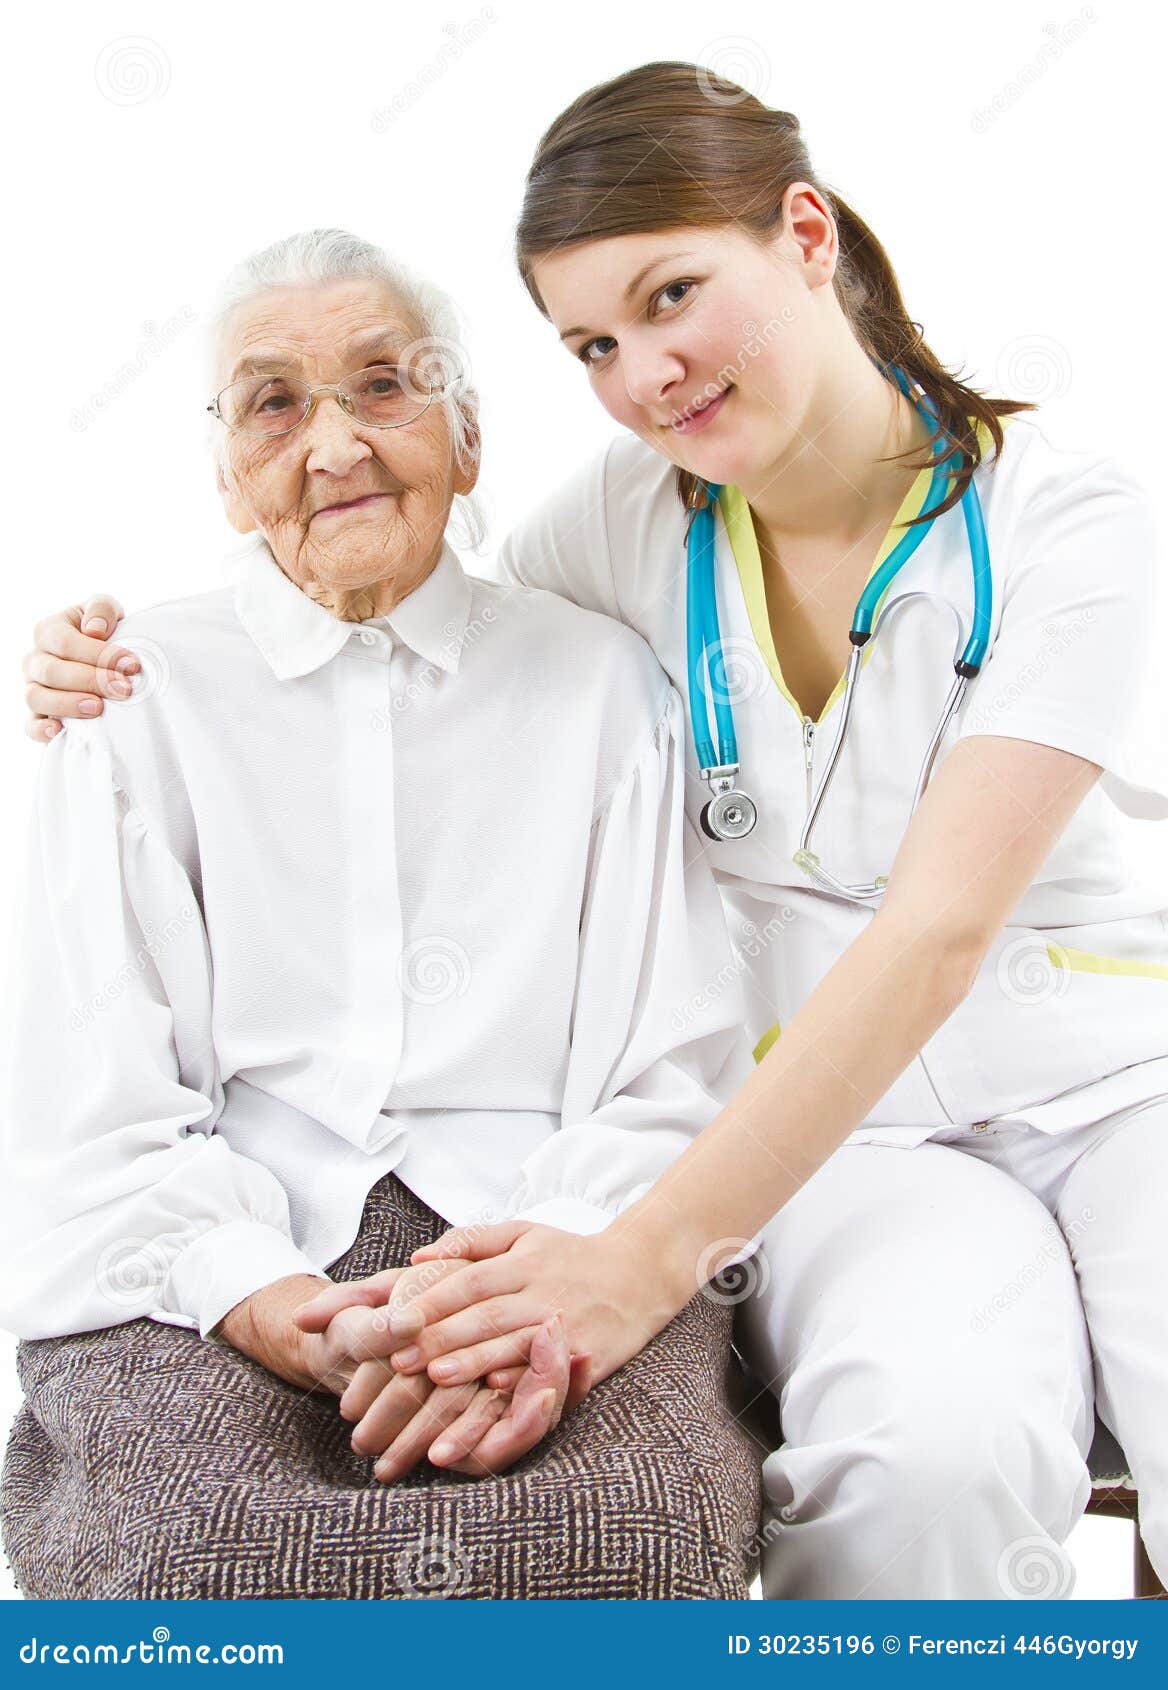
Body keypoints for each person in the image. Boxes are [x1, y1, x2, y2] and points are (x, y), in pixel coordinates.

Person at [22, 61, 1168, 1600]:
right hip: (851, 1135)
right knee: (927, 1466)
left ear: (808, 233)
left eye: (674, 293)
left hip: (1112, 1091)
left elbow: (938, 932)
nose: (648, 376)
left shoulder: (1068, 526)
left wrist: (635, 1264)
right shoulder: (626, 526)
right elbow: (383, 603)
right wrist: (87, 658)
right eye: (592, 345)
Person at [0, 227, 763, 1601]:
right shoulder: (135, 696)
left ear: (468, 441)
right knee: (189, 1552)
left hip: (552, 1226)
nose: (337, 443)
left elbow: (676, 1067)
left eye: (385, 386)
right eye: (275, 403)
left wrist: (520, 1285)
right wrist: (260, 1293)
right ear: (227, 476)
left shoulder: (601, 686)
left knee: (624, 1537)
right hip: (220, 1234)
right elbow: (89, 1099)